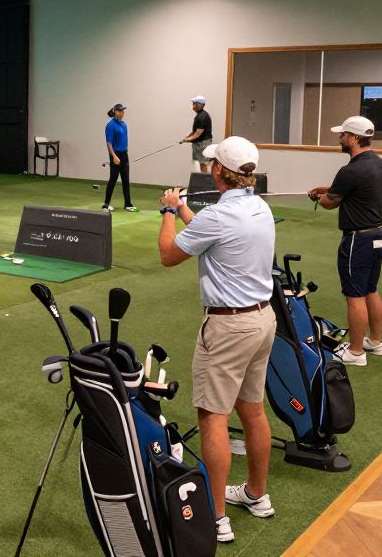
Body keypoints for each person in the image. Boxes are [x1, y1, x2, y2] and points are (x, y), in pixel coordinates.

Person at [157, 136, 277, 543]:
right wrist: (188, 210)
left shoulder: (219, 217)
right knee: (253, 410)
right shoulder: (259, 207)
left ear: (218, 171)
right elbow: (211, 234)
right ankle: (257, 495)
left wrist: (169, 211)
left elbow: (169, 254)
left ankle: (217, 517)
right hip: (262, 322)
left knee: (213, 417)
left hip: (227, 329)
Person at [307, 116, 382, 366]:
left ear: (353, 138)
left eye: (343, 134)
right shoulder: (379, 164)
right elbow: (353, 189)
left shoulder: (351, 169)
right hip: (378, 235)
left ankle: (355, 352)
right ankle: (375, 342)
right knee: (370, 289)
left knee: (355, 295)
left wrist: (319, 197)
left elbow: (330, 202)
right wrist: (326, 189)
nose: (340, 138)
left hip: (358, 240)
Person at [103, 103, 138, 212]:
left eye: (123, 111)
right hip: (115, 156)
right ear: (115, 112)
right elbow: (109, 143)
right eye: (120, 111)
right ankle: (106, 204)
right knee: (113, 180)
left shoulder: (124, 124)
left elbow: (124, 140)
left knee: (126, 181)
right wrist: (114, 156)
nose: (122, 113)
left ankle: (128, 204)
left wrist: (125, 154)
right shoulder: (110, 125)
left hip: (124, 155)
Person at [181, 95, 213, 173]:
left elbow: (197, 134)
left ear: (199, 105)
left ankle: (205, 184)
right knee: (201, 163)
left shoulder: (203, 117)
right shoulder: (199, 115)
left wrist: (187, 139)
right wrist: (186, 138)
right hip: (199, 143)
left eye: (194, 103)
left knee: (203, 164)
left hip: (203, 144)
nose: (193, 105)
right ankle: (203, 182)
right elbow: (194, 131)